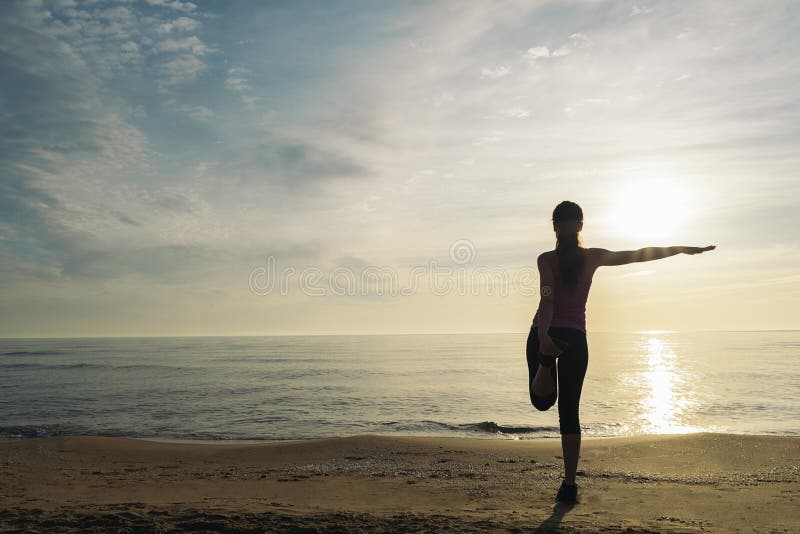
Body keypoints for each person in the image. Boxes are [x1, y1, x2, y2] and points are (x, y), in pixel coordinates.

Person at [527, 200, 715, 504]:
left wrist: (545, 337)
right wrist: (679, 248)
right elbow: (636, 256)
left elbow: (546, 299)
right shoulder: (594, 257)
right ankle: (570, 486)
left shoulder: (545, 259)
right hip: (575, 337)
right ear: (581, 226)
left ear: (555, 226)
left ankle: (545, 363)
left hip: (544, 333)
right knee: (569, 413)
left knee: (541, 401)